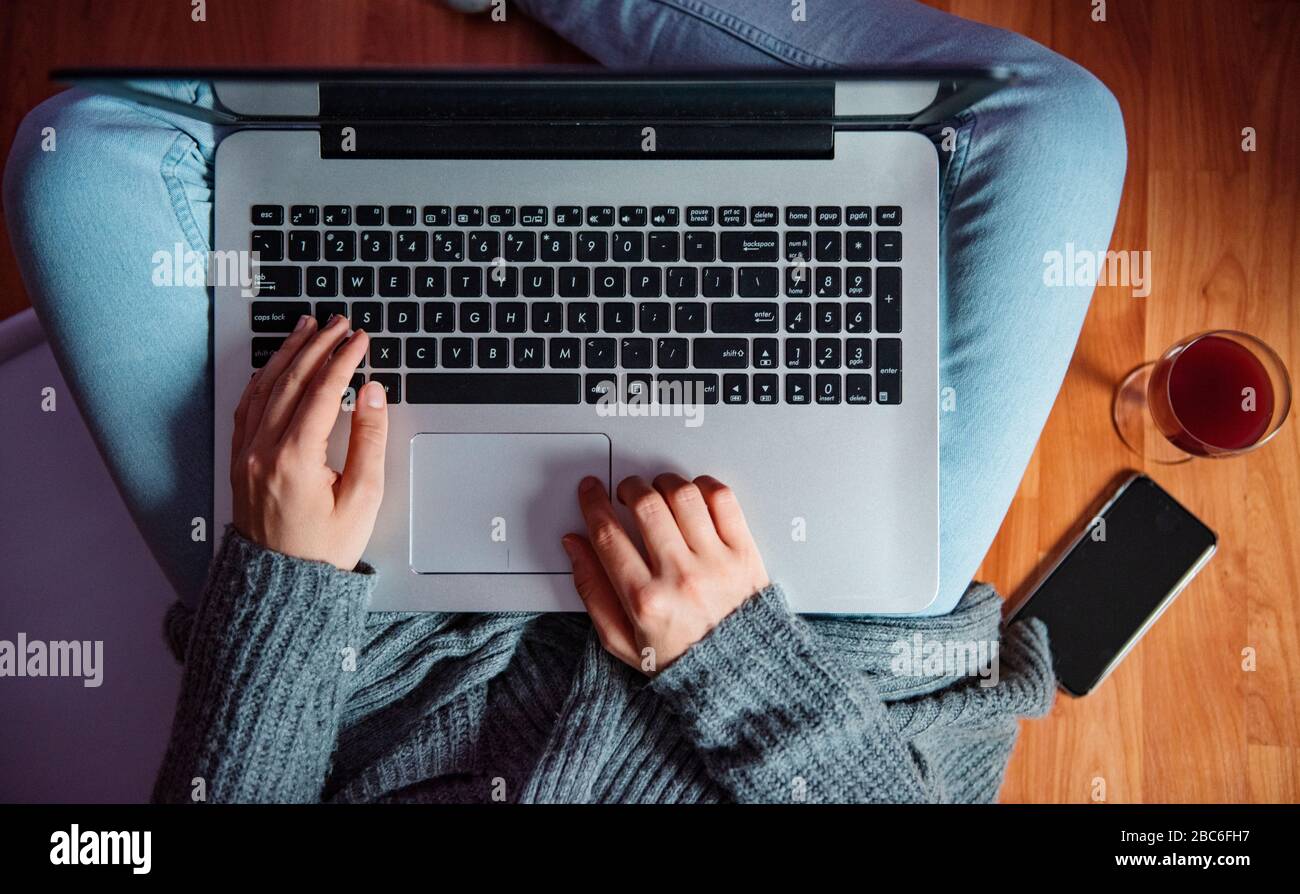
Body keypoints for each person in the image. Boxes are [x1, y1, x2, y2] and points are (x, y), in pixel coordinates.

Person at [2, 0, 1126, 803]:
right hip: (807, 637)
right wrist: (735, 661)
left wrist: (285, 584)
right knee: (1049, 124)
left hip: (376, 659)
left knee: (83, 150)